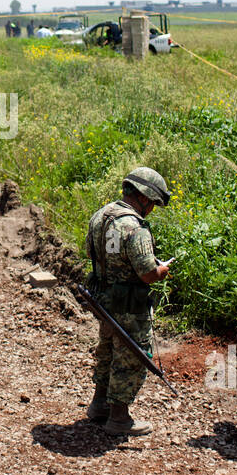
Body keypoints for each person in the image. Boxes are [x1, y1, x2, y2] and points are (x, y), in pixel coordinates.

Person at [84, 167, 172, 436]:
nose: (152, 209)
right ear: (144, 197)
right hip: (129, 304)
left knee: (108, 349)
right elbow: (147, 273)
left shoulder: (101, 216)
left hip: (103, 298)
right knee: (131, 356)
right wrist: (162, 270)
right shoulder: (135, 227)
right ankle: (119, 418)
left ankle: (99, 405)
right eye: (153, 204)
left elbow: (93, 252)